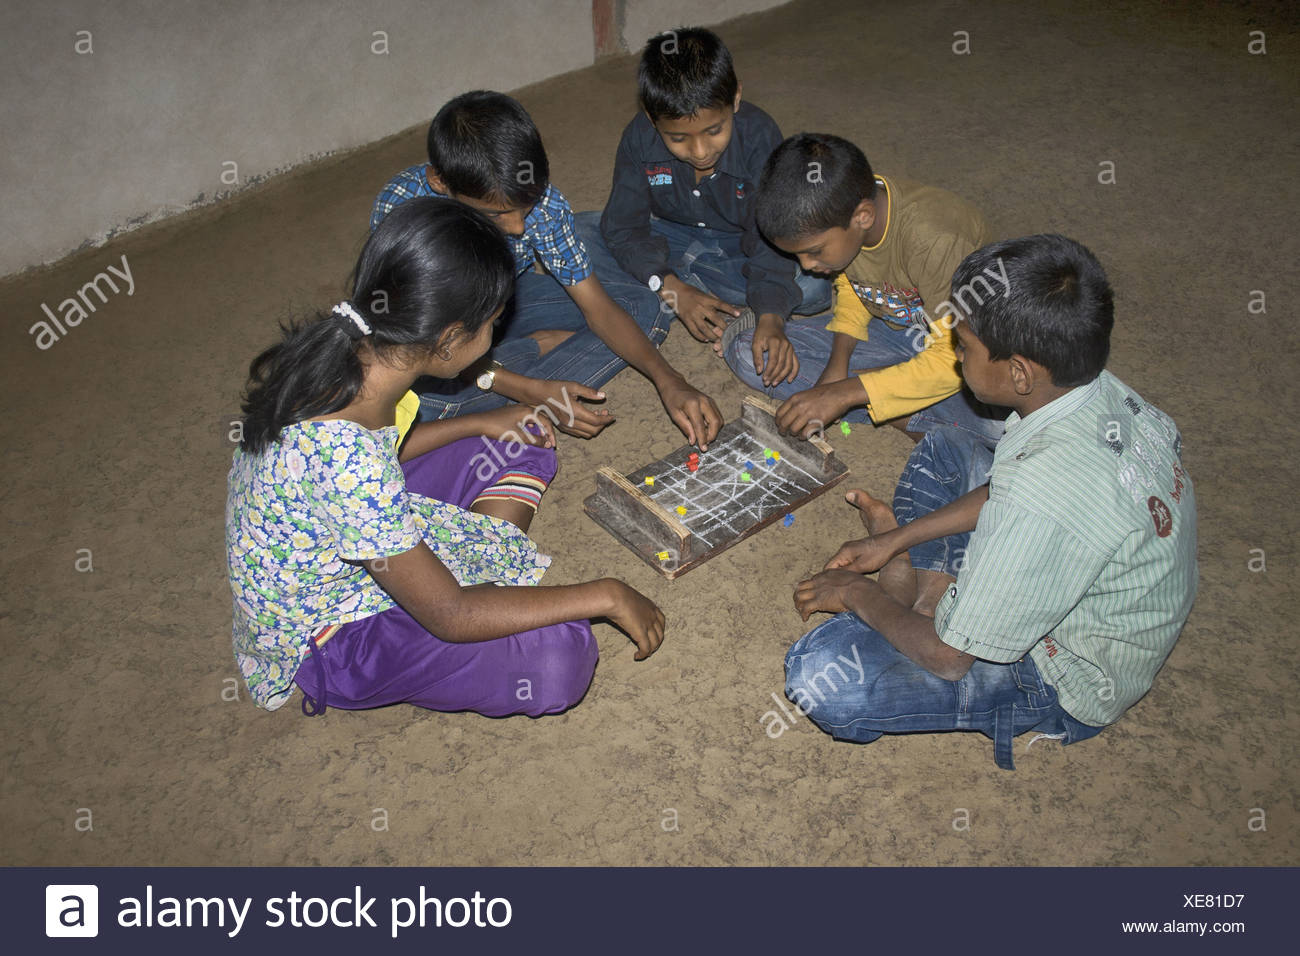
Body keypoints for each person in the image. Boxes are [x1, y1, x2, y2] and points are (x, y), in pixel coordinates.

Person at [227, 198, 665, 718]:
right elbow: (451, 616)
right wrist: (607, 594)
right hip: (334, 638)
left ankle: (480, 581)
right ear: (450, 340)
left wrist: (481, 420)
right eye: (494, 324)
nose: (497, 334)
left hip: (354, 531)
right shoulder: (346, 458)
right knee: (558, 655)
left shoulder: (350, 349)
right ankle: (482, 589)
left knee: (519, 437)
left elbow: (384, 451)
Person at [781, 234, 1197, 769]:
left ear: (1019, 372)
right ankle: (934, 598)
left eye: (964, 347)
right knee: (948, 446)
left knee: (819, 675)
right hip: (1072, 548)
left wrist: (856, 593)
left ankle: (931, 605)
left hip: (1064, 672)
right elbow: (1008, 486)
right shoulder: (1102, 392)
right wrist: (895, 539)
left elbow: (951, 661)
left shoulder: (1041, 496)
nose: (953, 353)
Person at [372, 91, 723, 449]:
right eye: (495, 215)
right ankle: (506, 373)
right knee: (412, 399)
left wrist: (669, 380)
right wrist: (532, 390)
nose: (516, 228)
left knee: (644, 309)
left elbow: (597, 308)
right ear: (440, 183)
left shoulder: (543, 205)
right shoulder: (403, 212)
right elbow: (412, 343)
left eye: (525, 207)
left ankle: (503, 368)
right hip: (438, 336)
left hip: (506, 302)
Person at [729, 132, 1006, 445]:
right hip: (896, 330)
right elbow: (856, 287)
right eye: (798, 255)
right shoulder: (846, 212)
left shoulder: (936, 240)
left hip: (965, 348)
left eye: (815, 251)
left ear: (863, 217)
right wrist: (838, 365)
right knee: (749, 353)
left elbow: (950, 359)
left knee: (1002, 426)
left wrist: (846, 391)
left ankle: (894, 407)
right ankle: (892, 397)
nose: (806, 266)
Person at [598, 26, 831, 388]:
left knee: (815, 286)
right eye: (678, 138)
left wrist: (771, 316)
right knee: (583, 233)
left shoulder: (759, 137)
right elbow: (624, 226)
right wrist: (672, 287)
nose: (701, 152)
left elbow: (772, 234)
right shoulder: (638, 138)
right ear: (650, 117)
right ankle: (681, 291)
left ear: (735, 99)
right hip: (670, 240)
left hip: (740, 246)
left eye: (714, 131)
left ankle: (686, 293)